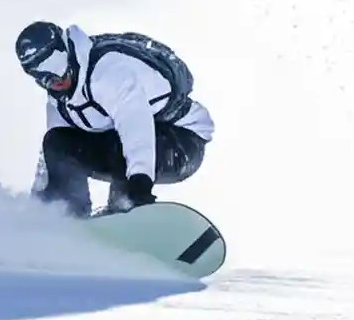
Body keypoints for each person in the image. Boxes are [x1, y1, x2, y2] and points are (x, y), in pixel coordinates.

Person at [15, 21, 214, 218]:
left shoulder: (108, 72)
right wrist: (39, 212)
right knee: (58, 142)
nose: (57, 82)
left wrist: (139, 181)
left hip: (182, 142)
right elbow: (53, 157)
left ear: (66, 51)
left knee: (119, 145)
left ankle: (124, 210)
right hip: (130, 149)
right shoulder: (59, 101)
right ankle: (69, 214)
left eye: (57, 68)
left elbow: (135, 125)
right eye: (45, 78)